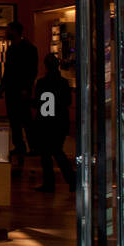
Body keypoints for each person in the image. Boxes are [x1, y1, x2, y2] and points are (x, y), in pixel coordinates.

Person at [33, 54, 77, 193]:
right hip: (59, 122)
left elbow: (38, 103)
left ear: (45, 66)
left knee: (46, 154)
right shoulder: (63, 83)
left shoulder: (41, 83)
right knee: (58, 152)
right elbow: (68, 102)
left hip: (45, 122)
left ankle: (49, 183)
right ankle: (71, 180)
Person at [0, 20, 38, 158]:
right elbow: (7, 70)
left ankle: (33, 146)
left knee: (26, 119)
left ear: (14, 31)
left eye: (8, 30)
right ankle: (19, 145)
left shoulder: (28, 48)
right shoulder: (11, 49)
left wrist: (26, 88)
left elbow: (32, 70)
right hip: (11, 89)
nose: (5, 32)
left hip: (21, 90)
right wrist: (2, 87)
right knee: (14, 119)